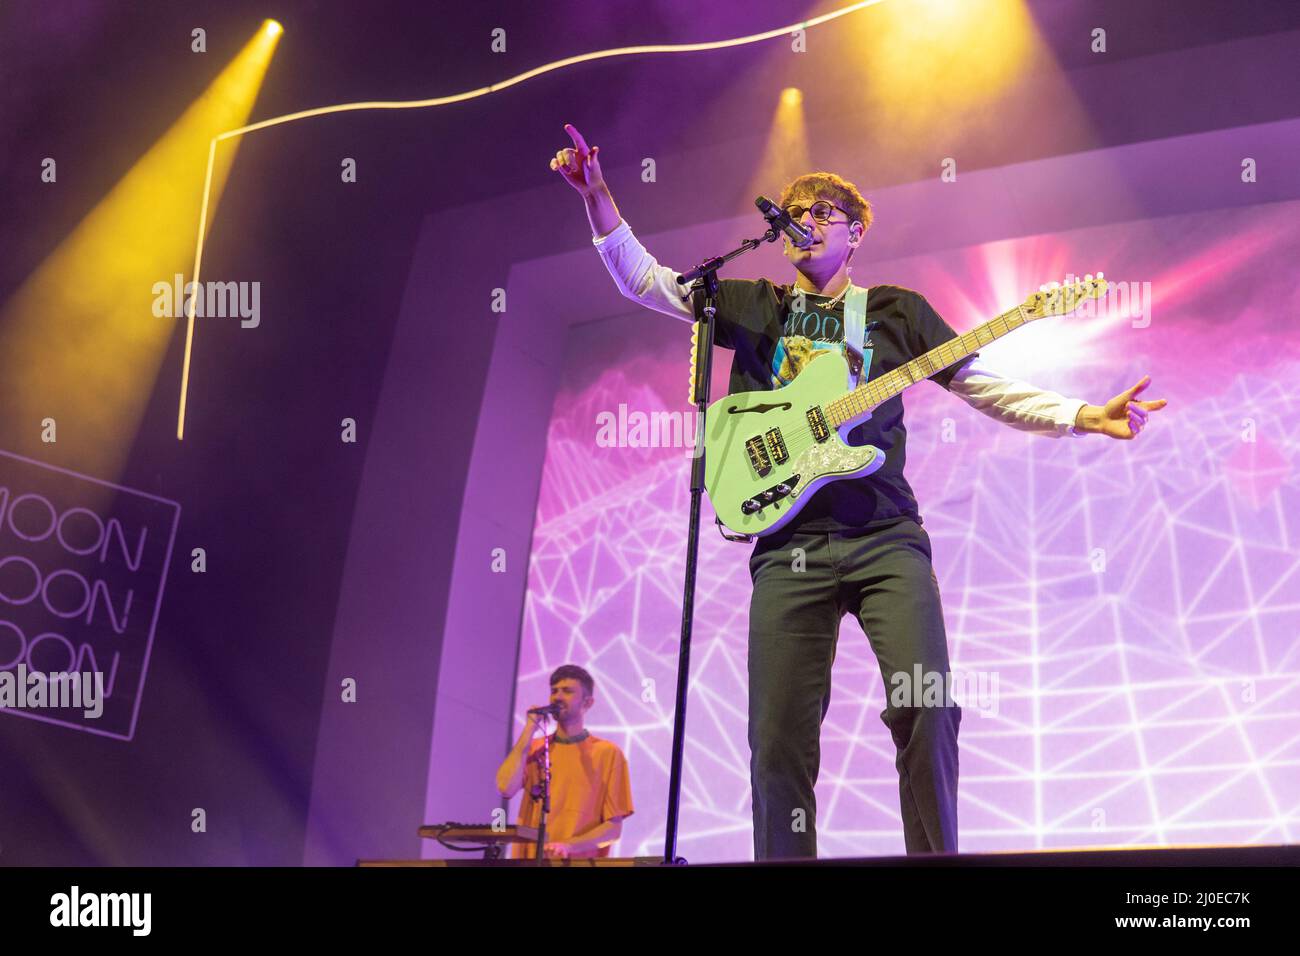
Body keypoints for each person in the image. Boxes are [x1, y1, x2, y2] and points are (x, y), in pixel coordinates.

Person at [548, 124, 1168, 860]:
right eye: (793, 212)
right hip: (787, 548)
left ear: (857, 231)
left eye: (820, 211)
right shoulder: (752, 303)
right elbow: (645, 282)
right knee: (776, 737)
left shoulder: (896, 314)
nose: (803, 221)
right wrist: (599, 199)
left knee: (927, 707)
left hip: (885, 539)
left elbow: (979, 384)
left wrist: (1080, 414)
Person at [496, 664, 634, 859]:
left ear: (587, 703)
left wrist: (569, 846)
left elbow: (613, 830)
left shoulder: (608, 754)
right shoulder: (535, 748)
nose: (557, 697)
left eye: (567, 691)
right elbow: (505, 787)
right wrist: (528, 731)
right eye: (554, 691)